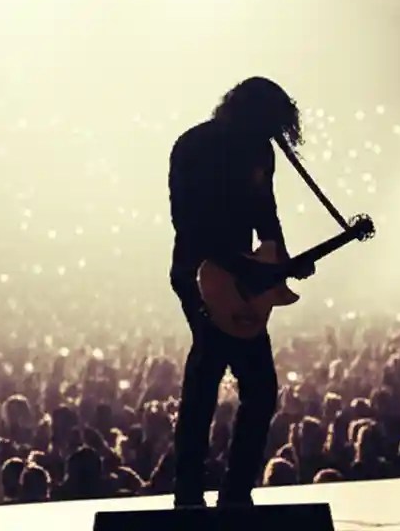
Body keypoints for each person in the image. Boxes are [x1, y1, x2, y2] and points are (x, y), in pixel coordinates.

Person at [167, 77, 315, 508]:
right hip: (201, 272)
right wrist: (242, 267)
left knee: (227, 380)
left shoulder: (258, 149)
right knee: (223, 376)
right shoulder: (196, 146)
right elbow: (187, 220)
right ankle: (205, 491)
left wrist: (280, 263)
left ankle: (217, 490)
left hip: (245, 274)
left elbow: (265, 213)